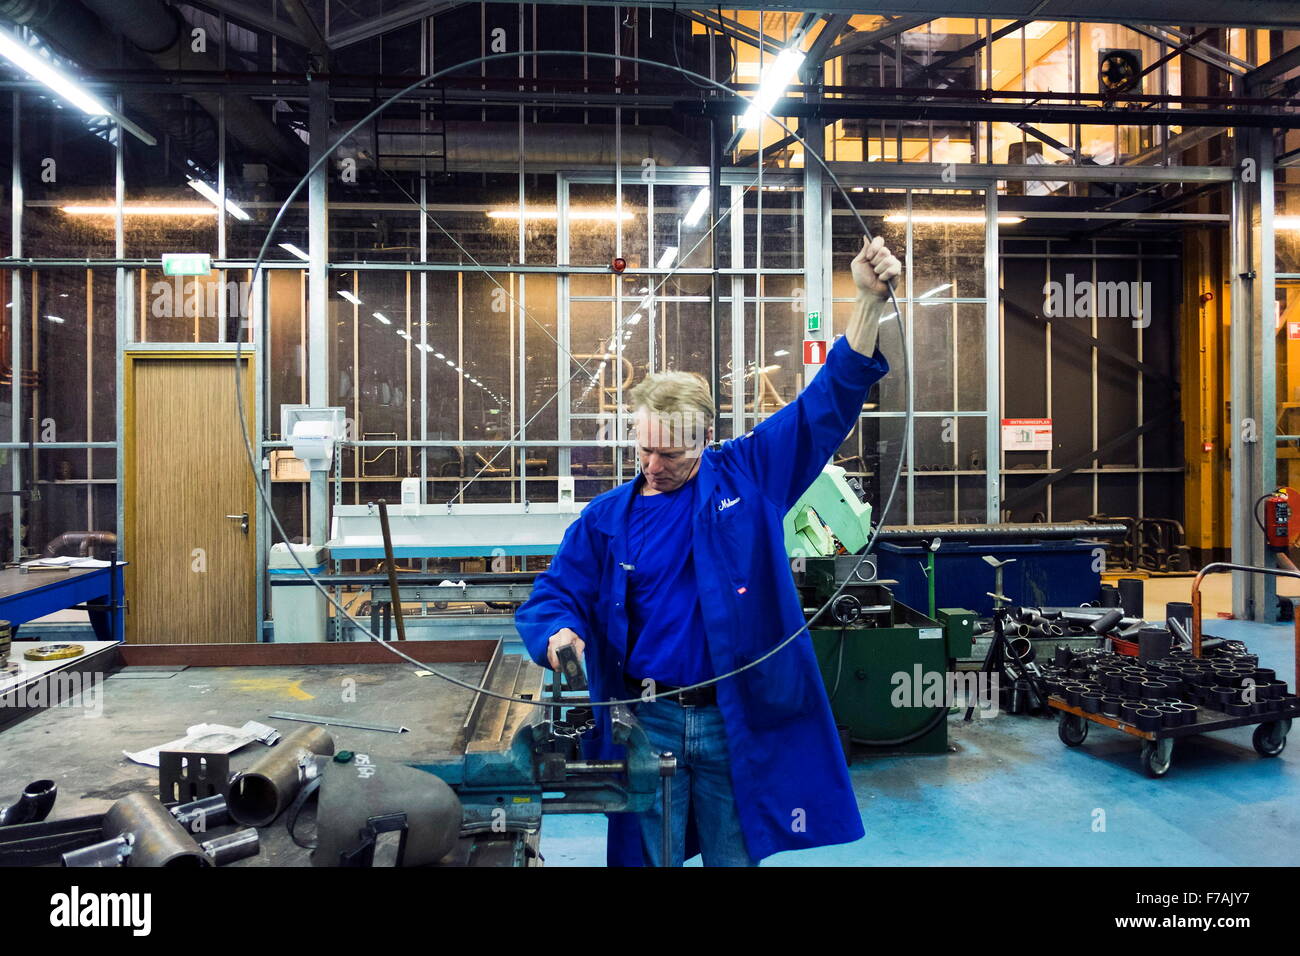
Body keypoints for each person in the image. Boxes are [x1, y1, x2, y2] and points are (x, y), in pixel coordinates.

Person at [515, 236, 901, 866]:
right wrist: (559, 633)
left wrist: (865, 300)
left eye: (669, 454)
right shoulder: (607, 518)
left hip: (734, 718)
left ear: (703, 441)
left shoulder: (749, 476)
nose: (652, 465)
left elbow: (824, 406)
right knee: (650, 857)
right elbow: (557, 592)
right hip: (648, 719)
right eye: (643, 450)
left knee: (732, 855)